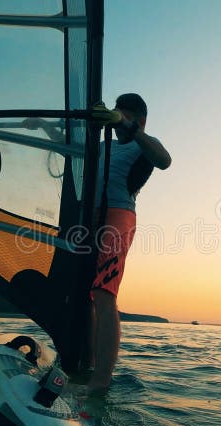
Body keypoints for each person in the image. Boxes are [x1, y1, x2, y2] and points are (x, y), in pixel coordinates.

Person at [24, 94, 171, 395]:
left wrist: (132, 128)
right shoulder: (104, 147)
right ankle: (86, 366)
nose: (116, 125)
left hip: (119, 217)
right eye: (114, 117)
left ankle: (101, 380)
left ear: (138, 120)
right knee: (84, 295)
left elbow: (164, 160)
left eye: (123, 117)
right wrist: (41, 125)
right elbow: (70, 144)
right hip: (87, 219)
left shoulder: (142, 143)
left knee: (104, 294)